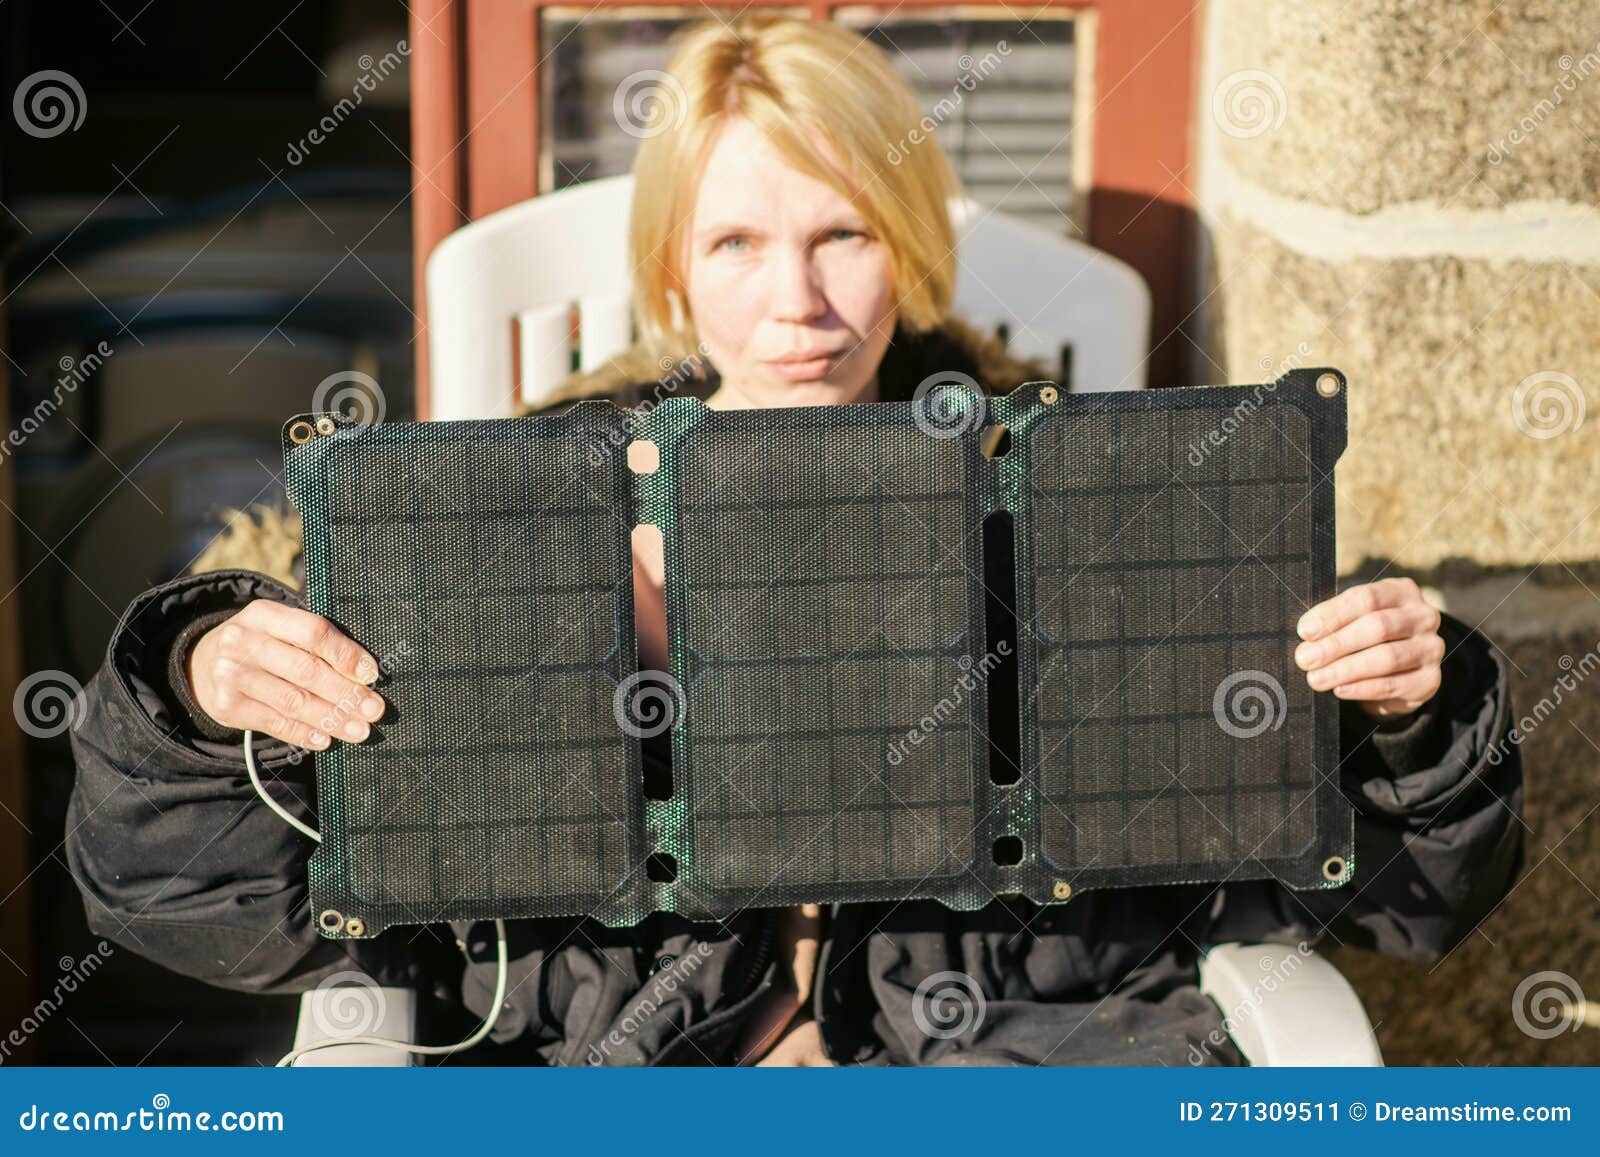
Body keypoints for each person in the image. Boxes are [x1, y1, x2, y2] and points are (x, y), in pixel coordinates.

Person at [64, 14, 1523, 1066]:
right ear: (674, 280)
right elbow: (197, 902)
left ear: (913, 247)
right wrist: (201, 697)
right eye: (737, 245)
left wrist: (1408, 716)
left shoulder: (1099, 508)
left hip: (1026, 1056)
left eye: (845, 235)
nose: (799, 301)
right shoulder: (496, 529)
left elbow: (1388, 906)